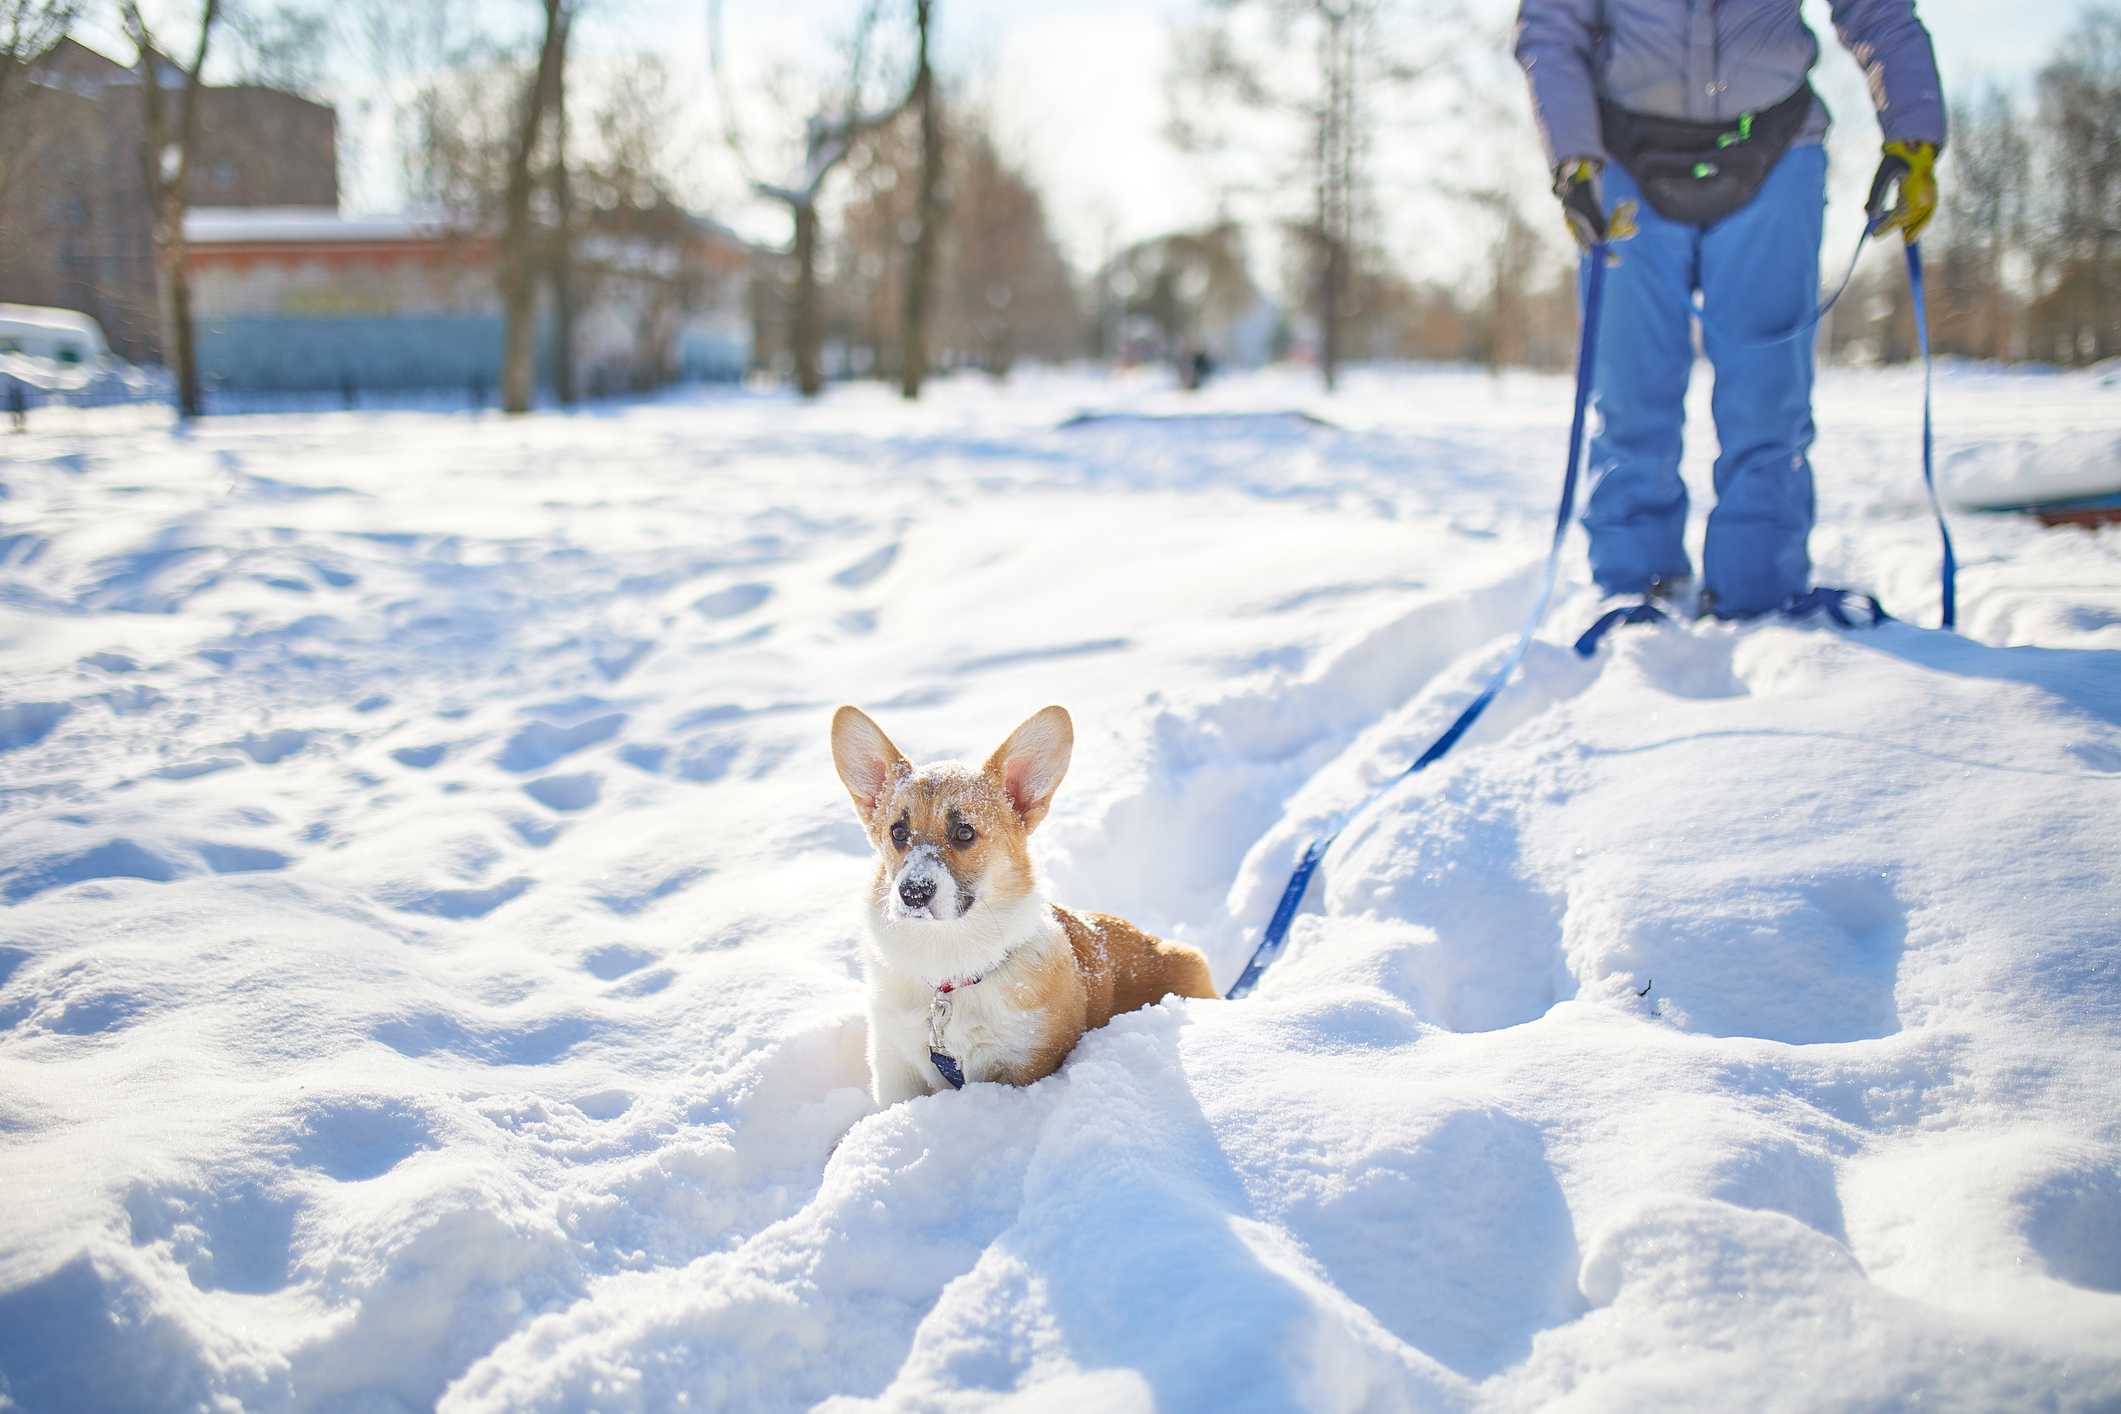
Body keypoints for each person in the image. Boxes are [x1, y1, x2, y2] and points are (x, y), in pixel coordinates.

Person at [1514, 0, 1944, 619]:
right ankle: (1635, 587)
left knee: (1767, 399)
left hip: (1773, 149)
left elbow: (1876, 9)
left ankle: (1760, 592)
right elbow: (1551, 24)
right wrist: (1570, 154)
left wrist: (1914, 130)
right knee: (1632, 392)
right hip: (1622, 157)